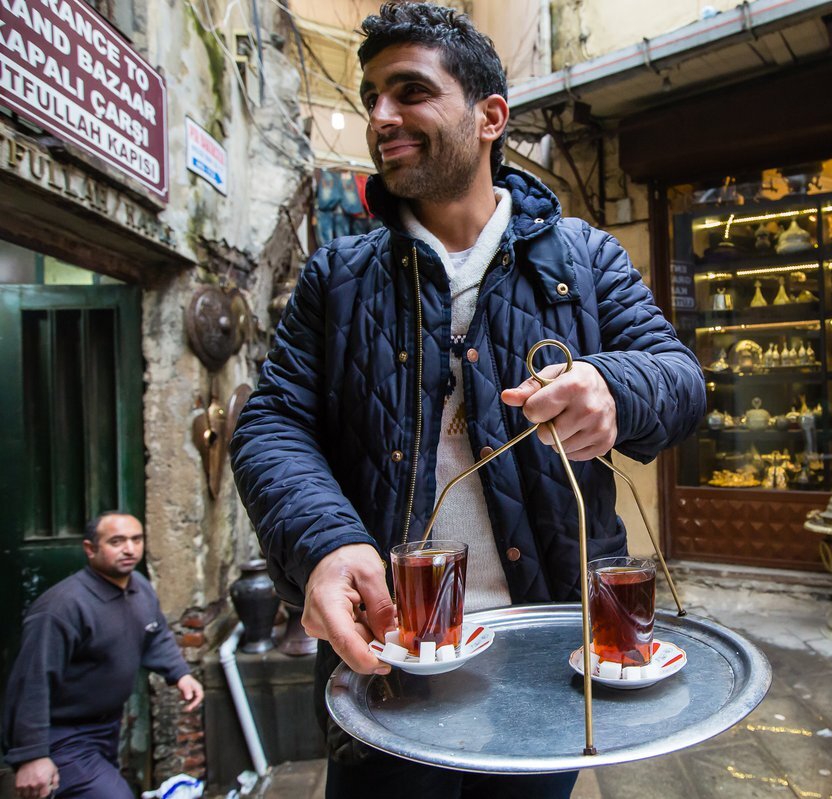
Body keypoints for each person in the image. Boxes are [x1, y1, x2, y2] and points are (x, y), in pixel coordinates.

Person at [228, 3, 703, 797]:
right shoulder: (337, 275)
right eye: (373, 94)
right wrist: (321, 543)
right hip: (388, 657)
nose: (381, 116)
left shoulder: (584, 258)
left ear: (489, 117)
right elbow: (272, 421)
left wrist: (613, 387)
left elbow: (681, 380)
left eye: (410, 91)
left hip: (545, 654)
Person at [2, 512, 204, 799]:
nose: (129, 549)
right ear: (90, 549)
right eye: (116, 541)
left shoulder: (139, 587)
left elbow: (154, 632)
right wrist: (31, 755)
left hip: (107, 728)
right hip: (63, 737)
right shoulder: (62, 607)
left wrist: (180, 673)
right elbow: (31, 682)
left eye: (136, 539)